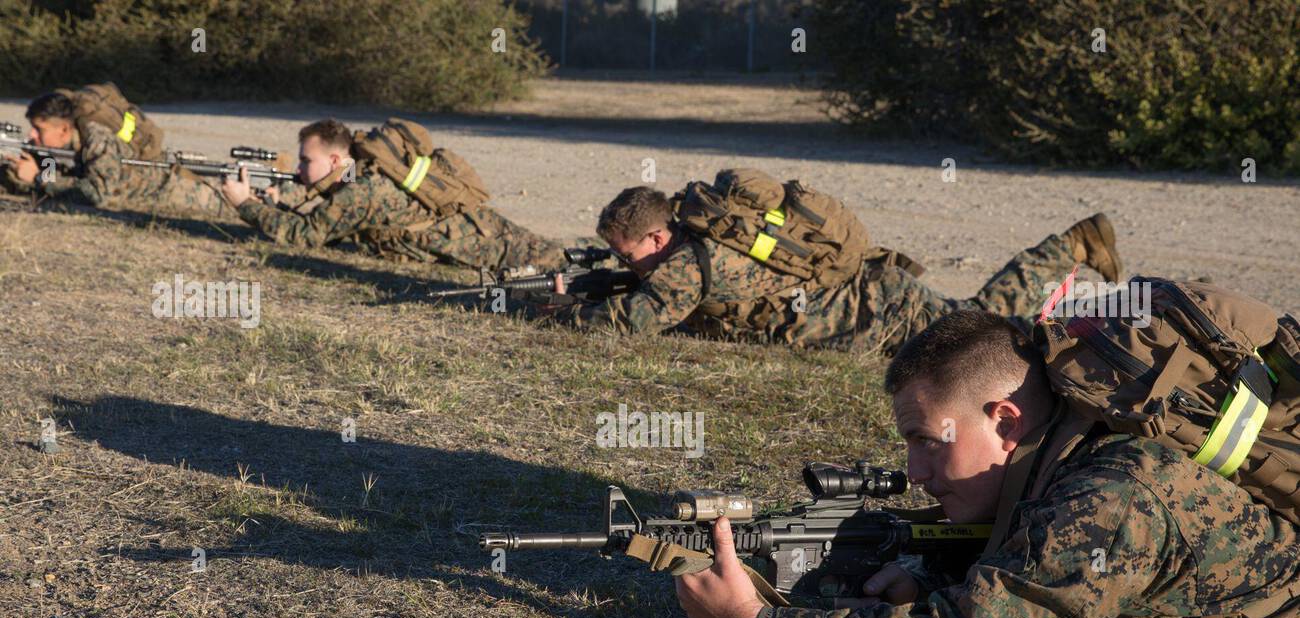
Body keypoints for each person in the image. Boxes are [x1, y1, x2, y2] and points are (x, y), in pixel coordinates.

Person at [674, 309, 1300, 618]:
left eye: (928, 440)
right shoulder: (1065, 450)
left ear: (1006, 418)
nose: (916, 473)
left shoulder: (1113, 493)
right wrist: (929, 572)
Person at [535, 182, 1122, 352]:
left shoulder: (689, 262)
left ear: (658, 234)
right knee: (983, 329)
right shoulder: (694, 242)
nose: (624, 263)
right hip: (866, 297)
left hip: (874, 310)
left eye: (628, 252)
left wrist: (565, 315)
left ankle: (1072, 251)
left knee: (985, 333)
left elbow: (635, 320)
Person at [221, 118, 569, 272]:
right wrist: (276, 205)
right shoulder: (358, 176)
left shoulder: (360, 189)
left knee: (561, 259)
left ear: (334, 160)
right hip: (474, 232)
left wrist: (246, 204)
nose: (298, 169)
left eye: (305, 161)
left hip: (483, 243)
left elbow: (306, 235)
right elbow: (327, 224)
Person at [1, 89, 227, 215]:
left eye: (39, 129)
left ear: (63, 128)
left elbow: (98, 194)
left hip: (173, 191)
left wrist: (39, 179)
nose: (32, 135)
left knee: (233, 200)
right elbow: (66, 177)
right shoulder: (60, 144)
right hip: (153, 192)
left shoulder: (97, 138)